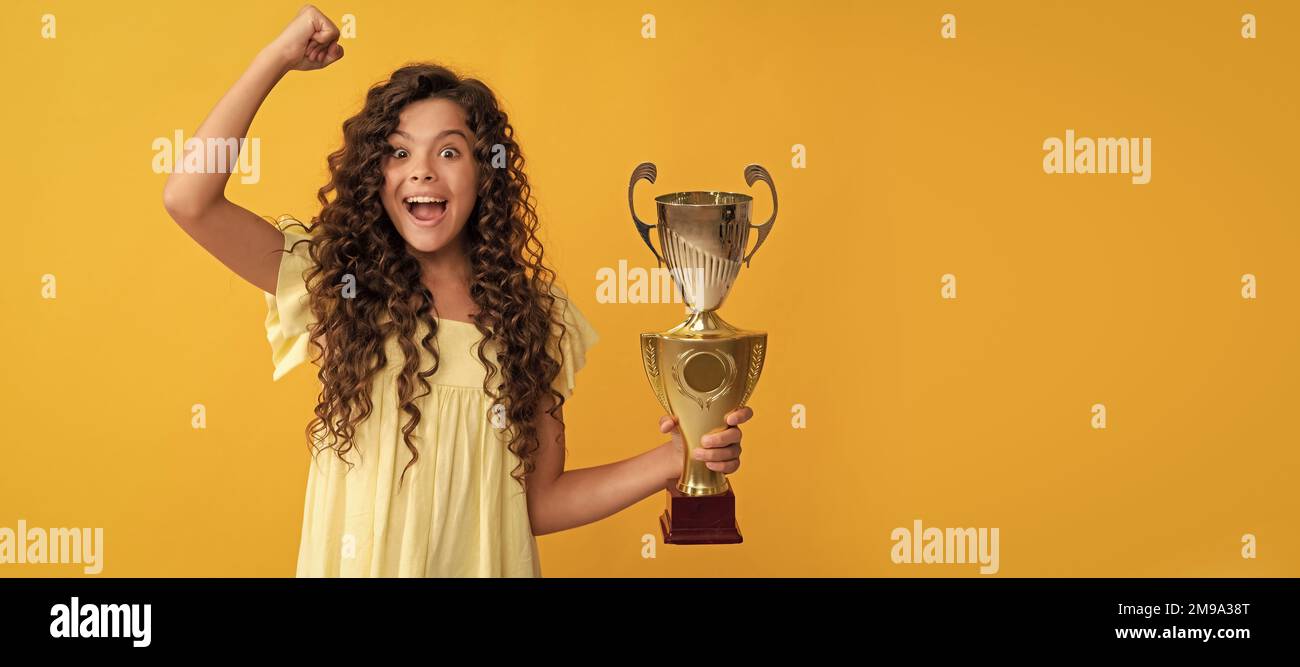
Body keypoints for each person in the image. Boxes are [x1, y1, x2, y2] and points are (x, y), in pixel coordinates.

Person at [161, 4, 752, 576]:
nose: (422, 170)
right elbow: (190, 200)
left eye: (449, 151)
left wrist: (677, 459)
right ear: (376, 176)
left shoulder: (536, 320)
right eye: (398, 152)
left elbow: (539, 504)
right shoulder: (339, 284)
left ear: (484, 173)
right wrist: (276, 58)